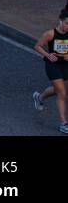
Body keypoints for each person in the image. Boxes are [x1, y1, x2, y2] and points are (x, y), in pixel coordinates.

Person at [32, 7, 68, 135]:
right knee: (62, 93)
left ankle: (39, 97)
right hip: (52, 65)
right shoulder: (50, 34)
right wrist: (48, 55)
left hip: (65, 65)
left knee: (58, 89)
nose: (67, 27)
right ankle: (63, 123)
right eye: (66, 23)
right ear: (60, 21)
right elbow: (37, 46)